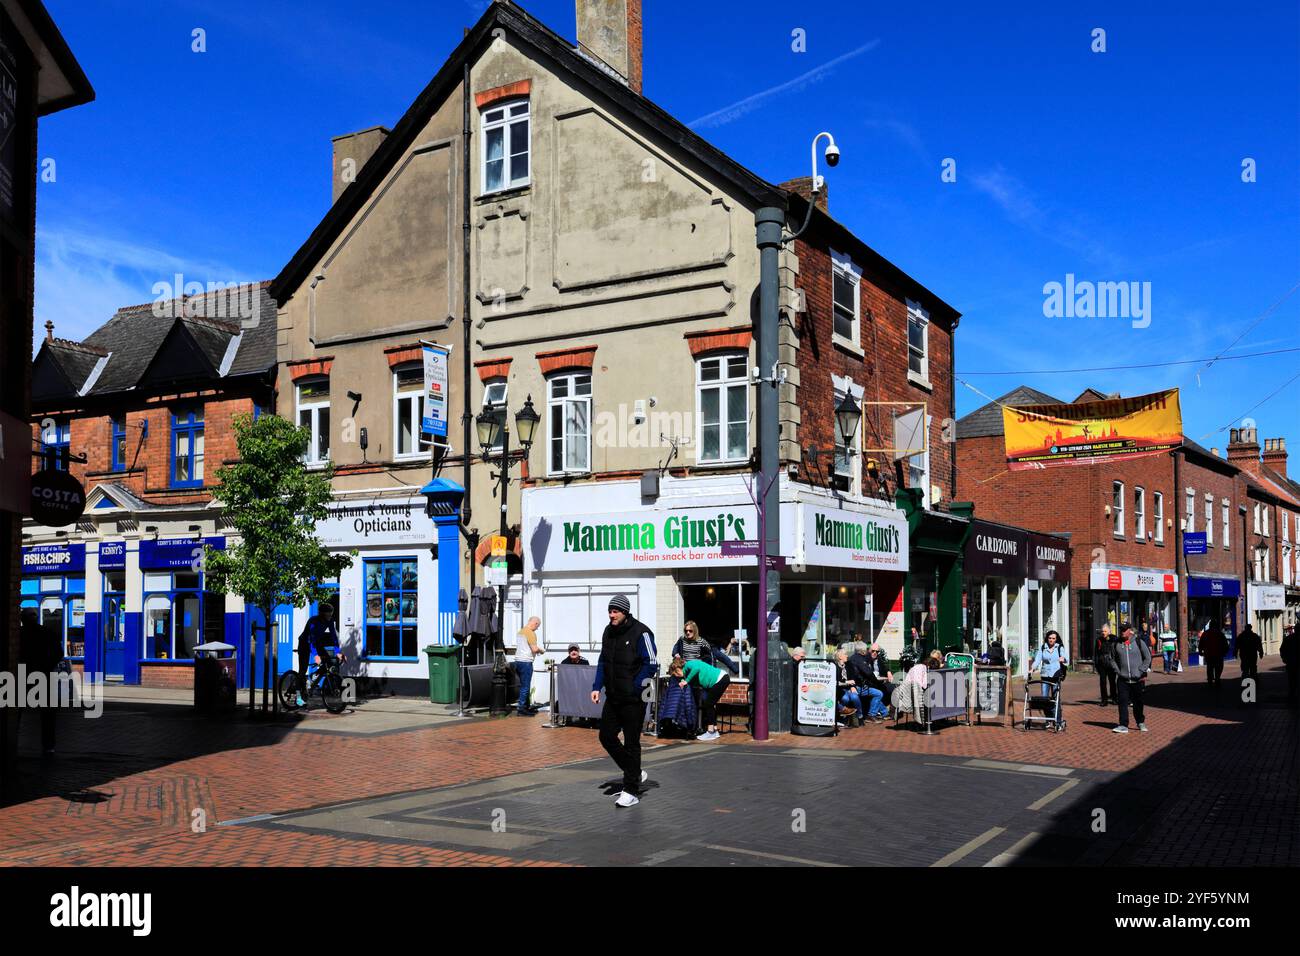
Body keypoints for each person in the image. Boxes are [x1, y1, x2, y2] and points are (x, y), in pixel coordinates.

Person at [590, 594, 658, 808]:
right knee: (606, 736)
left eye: (615, 611)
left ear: (625, 612)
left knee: (631, 743)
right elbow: (603, 660)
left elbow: (652, 664)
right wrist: (596, 687)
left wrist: (635, 688)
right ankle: (635, 772)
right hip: (613, 695)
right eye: (610, 611)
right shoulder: (608, 631)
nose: (611, 615)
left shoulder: (642, 632)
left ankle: (631, 790)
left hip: (634, 698)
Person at [18, 608, 61, 755]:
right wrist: (48, 666)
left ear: (22, 619)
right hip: (45, 676)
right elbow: (58, 653)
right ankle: (49, 746)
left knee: (15, 711)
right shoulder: (48, 633)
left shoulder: (19, 634)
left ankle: (12, 741)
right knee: (48, 714)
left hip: (22, 676)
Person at [671, 655, 731, 740]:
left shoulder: (688, 664)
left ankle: (710, 732)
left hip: (720, 679)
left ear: (678, 668)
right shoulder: (687, 673)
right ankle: (714, 730)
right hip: (720, 680)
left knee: (708, 704)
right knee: (709, 704)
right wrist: (685, 681)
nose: (677, 676)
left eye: (676, 673)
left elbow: (696, 669)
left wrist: (686, 681)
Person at [296, 602, 340, 706]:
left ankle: (312, 681)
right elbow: (311, 639)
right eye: (328, 614)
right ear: (322, 614)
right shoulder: (313, 621)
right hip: (304, 644)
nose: (330, 617)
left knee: (329, 662)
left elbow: (334, 637)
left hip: (317, 643)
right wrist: (316, 655)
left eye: (331, 614)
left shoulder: (330, 621)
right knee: (302, 671)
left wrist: (338, 652)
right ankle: (298, 698)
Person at [1110, 623, 1151, 733]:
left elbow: (1148, 658)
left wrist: (1140, 671)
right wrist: (1118, 671)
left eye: (1124, 630)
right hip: (1123, 679)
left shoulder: (1138, 642)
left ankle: (1140, 722)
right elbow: (1112, 659)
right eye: (1121, 630)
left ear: (1130, 630)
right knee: (1122, 702)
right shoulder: (1116, 644)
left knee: (1138, 702)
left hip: (1137, 679)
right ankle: (1123, 725)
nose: (1122, 632)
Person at [671, 621, 738, 673]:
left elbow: (718, 658)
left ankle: (735, 669)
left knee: (721, 657)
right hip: (687, 670)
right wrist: (676, 654)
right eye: (686, 631)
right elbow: (676, 647)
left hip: (697, 670)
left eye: (690, 631)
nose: (688, 632)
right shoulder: (682, 639)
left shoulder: (702, 642)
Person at [847, 641, 888, 720]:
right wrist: (876, 681)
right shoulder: (860, 659)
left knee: (877, 692)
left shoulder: (853, 657)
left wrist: (887, 671)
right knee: (878, 693)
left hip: (857, 685)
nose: (868, 651)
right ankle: (872, 715)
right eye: (867, 650)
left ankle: (884, 712)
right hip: (859, 686)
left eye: (877, 651)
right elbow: (868, 672)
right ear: (863, 651)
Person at [513, 616, 545, 716]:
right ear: (535, 623)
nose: (537, 628)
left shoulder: (520, 632)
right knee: (525, 686)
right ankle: (521, 709)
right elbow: (534, 649)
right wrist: (541, 650)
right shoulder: (530, 633)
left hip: (518, 661)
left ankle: (525, 707)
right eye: (538, 626)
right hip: (526, 662)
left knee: (523, 686)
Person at [834, 647, 863, 724]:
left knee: (854, 697)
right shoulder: (835, 667)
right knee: (845, 699)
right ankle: (843, 717)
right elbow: (837, 681)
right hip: (840, 689)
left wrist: (853, 686)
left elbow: (853, 677)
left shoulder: (848, 665)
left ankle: (860, 716)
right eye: (845, 654)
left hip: (849, 687)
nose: (847, 656)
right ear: (840, 657)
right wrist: (847, 682)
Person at [1199, 620, 1228, 690]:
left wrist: (1200, 651)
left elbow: (1201, 644)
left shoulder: (1205, 634)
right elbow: (1225, 644)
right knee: (1218, 668)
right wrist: (1224, 652)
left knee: (1210, 668)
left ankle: (1210, 681)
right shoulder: (1220, 634)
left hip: (1209, 655)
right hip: (1218, 655)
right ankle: (1217, 679)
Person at [1095, 622, 1117, 706]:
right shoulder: (1098, 640)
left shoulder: (1114, 639)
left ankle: (1114, 698)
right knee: (1103, 682)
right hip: (1102, 664)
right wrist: (1096, 665)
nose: (1103, 633)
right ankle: (1104, 700)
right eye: (1102, 631)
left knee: (1112, 682)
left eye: (1105, 631)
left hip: (1111, 663)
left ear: (1109, 631)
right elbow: (1096, 653)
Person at [1281, 626, 1298, 707]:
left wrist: (1284, 658)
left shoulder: (1288, 638)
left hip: (1291, 663)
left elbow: (1282, 649)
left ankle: (1292, 695)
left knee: (1292, 680)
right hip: (1292, 663)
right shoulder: (1288, 638)